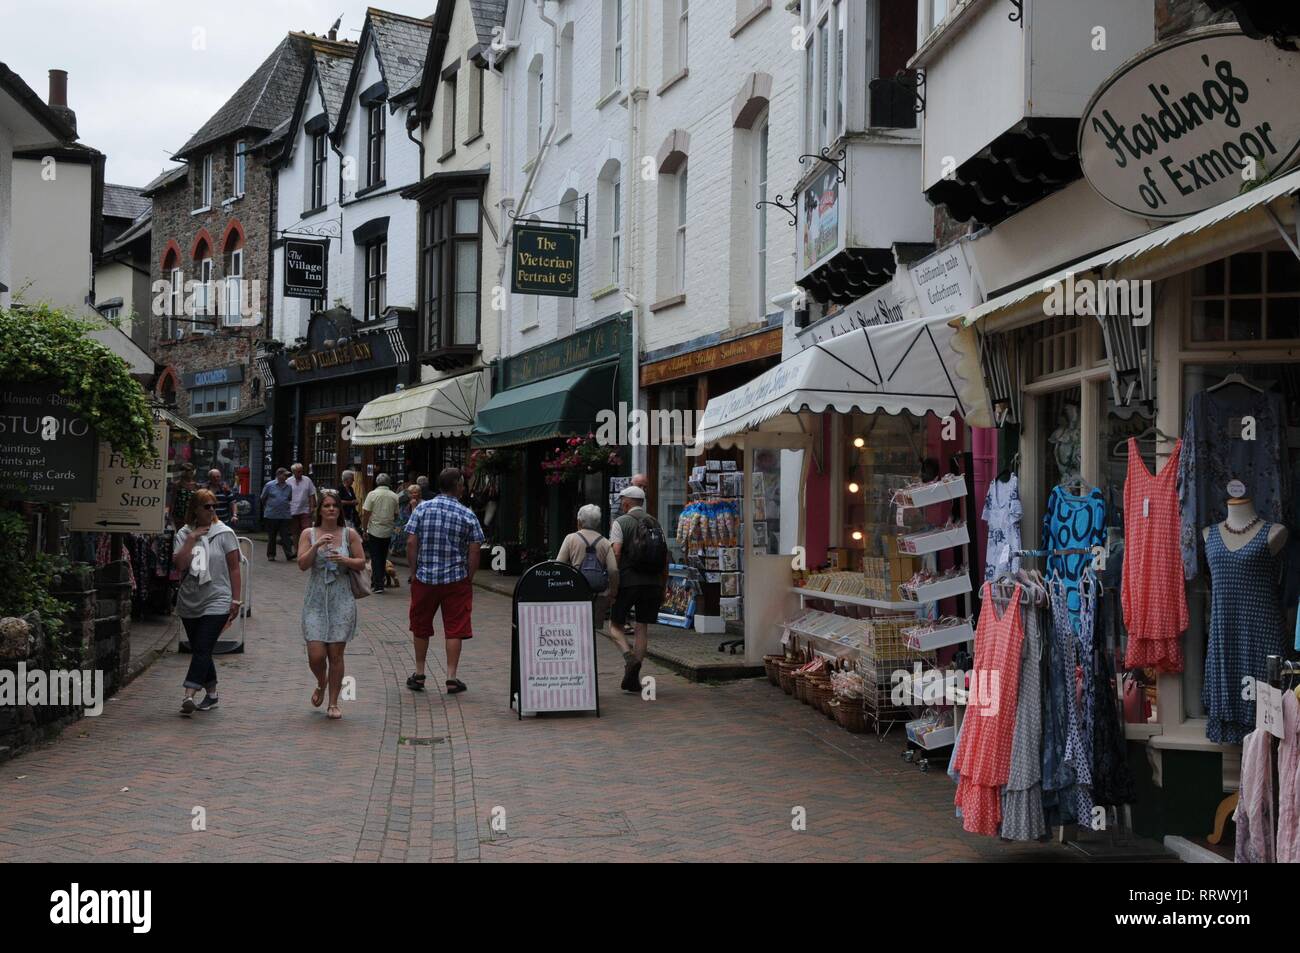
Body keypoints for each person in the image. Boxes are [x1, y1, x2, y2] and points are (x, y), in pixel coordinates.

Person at [405, 468, 485, 695]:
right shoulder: (467, 514)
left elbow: (411, 542)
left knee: (420, 624)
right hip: (455, 580)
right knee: (455, 628)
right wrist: (468, 577)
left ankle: (419, 673)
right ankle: (451, 676)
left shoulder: (422, 508)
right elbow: (474, 551)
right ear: (458, 486)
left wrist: (414, 571)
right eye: (462, 484)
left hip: (425, 577)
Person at [172, 489, 242, 715]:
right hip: (191, 598)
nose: (212, 510)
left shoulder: (224, 533)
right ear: (195, 509)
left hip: (218, 597)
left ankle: (189, 693)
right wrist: (192, 538)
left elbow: (234, 567)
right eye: (206, 506)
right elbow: (180, 565)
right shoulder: (183, 534)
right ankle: (211, 694)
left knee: (202, 647)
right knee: (201, 648)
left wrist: (236, 599)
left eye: (214, 506)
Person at [297, 490, 365, 720]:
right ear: (320, 510)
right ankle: (320, 681)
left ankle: (334, 702)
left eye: (334, 506)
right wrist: (316, 546)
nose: (330, 509)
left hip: (341, 598)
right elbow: (302, 565)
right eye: (326, 506)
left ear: (339, 510)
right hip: (315, 600)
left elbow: (361, 562)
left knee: (336, 654)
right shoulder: (308, 533)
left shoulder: (350, 534)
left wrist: (344, 560)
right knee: (316, 655)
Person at [609, 485, 669, 693]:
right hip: (652, 583)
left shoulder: (620, 522)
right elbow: (665, 556)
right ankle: (634, 676)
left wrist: (613, 583)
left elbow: (615, 553)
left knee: (615, 626)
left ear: (626, 503)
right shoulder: (655, 522)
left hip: (628, 582)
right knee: (642, 628)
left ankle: (629, 658)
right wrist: (663, 584)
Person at [556, 503, 619, 630]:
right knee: (593, 629)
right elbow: (613, 570)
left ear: (579, 521)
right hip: (599, 594)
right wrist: (613, 592)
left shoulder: (570, 538)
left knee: (575, 627)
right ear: (598, 523)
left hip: (575, 591)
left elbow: (559, 565)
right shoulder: (605, 542)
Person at [361, 472, 400, 594]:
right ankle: (378, 580)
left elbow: (366, 513)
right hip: (387, 530)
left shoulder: (372, 494)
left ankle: (378, 583)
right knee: (383, 557)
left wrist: (364, 528)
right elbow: (396, 514)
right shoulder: (394, 496)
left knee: (375, 556)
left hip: (374, 529)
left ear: (377, 482)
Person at [259, 467, 296, 560]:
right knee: (272, 536)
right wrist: (268, 507)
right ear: (279, 475)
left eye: (287, 475)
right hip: (271, 514)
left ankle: (289, 554)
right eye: (285, 475)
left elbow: (289, 498)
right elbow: (263, 498)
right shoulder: (269, 485)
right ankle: (271, 555)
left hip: (285, 514)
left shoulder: (289, 487)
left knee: (285, 536)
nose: (286, 477)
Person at [288, 463, 317, 538]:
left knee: (307, 531)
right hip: (293, 510)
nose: (300, 473)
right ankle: (296, 549)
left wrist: (312, 507)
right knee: (295, 532)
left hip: (305, 509)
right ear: (293, 472)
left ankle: (306, 548)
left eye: (301, 471)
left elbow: (311, 494)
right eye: (298, 472)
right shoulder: (288, 481)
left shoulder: (307, 480)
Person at [168, 462, 198, 530]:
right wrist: (169, 516)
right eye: (188, 470)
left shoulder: (196, 485)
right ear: (183, 472)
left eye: (192, 470)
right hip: (179, 515)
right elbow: (173, 501)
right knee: (180, 534)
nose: (191, 472)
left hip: (191, 515)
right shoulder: (177, 484)